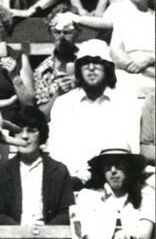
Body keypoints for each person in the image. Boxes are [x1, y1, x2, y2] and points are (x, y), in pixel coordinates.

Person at [48, 39, 143, 182]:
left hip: (114, 183)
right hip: (70, 183)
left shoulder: (126, 103)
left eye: (97, 62)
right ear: (78, 68)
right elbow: (56, 151)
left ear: (107, 67)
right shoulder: (63, 104)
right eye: (85, 63)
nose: (91, 68)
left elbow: (131, 149)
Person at [0, 107, 74, 239]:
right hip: (13, 234)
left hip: (52, 234)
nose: (25, 136)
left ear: (41, 135)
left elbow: (66, 211)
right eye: (20, 131)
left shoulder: (58, 170)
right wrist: (21, 232)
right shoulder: (3, 171)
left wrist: (44, 232)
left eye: (32, 131)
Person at [72, 148, 153, 239]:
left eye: (119, 164)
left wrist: (127, 236)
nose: (113, 170)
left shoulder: (146, 194)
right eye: (107, 166)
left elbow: (144, 235)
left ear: (129, 167)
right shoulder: (88, 196)